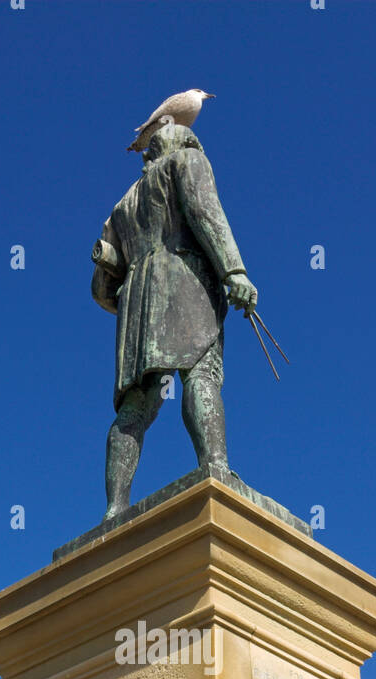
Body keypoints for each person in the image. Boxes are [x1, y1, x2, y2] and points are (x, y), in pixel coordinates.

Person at [91, 122, 258, 520]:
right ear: (185, 142)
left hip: (134, 300)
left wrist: (133, 299)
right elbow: (203, 212)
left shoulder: (122, 206)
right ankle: (215, 467)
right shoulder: (188, 160)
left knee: (134, 407)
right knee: (201, 373)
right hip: (185, 277)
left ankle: (115, 508)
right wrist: (234, 271)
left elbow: (100, 289)